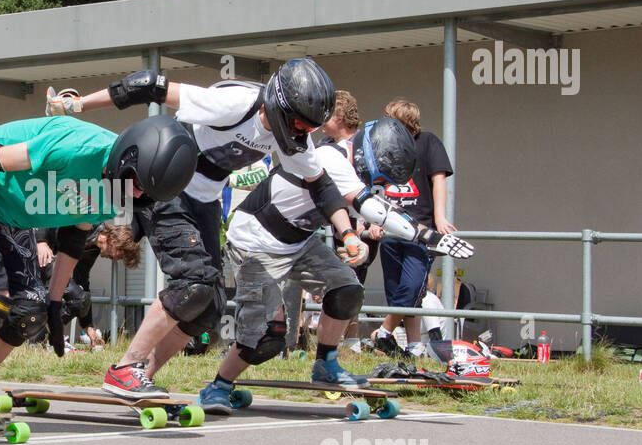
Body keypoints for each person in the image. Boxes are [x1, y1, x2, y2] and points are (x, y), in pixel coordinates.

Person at [46, 58, 366, 398]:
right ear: (278, 106)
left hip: (205, 202)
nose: (302, 134)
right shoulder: (236, 103)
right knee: (191, 281)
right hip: (166, 188)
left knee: (209, 305)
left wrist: (346, 233)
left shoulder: (296, 139)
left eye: (310, 128)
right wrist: (76, 104)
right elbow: (150, 85)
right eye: (299, 124)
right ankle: (125, 368)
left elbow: (321, 185)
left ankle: (140, 378)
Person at [0, 115, 197, 424]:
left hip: (12, 211)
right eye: (138, 184)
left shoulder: (119, 191)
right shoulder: (75, 146)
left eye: (147, 192)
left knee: (29, 312)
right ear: (127, 158)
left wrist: (55, 303)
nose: (139, 195)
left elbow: (74, 239)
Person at [197, 117, 474, 413]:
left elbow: (350, 206)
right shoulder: (330, 156)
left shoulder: (351, 173)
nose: (378, 184)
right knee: (267, 335)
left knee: (346, 290)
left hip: (298, 241)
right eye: (380, 178)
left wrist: (353, 237)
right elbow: (366, 204)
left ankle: (326, 364)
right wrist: (424, 234)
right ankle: (219, 385)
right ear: (367, 156)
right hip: (255, 243)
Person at [370, 99, 456, 361]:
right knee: (397, 292)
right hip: (390, 228)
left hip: (419, 228)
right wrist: (374, 220)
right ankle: (414, 346)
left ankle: (383, 332)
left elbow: (438, 178)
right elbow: (375, 184)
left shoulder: (428, 142)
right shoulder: (382, 145)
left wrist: (440, 218)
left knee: (413, 287)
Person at [317, 90, 379, 352]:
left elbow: (372, 186)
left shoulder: (362, 146)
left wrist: (370, 222)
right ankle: (339, 341)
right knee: (339, 282)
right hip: (337, 221)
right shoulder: (324, 146)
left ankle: (349, 340)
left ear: (339, 117)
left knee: (352, 282)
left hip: (361, 225)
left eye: (327, 113)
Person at [35, 222, 142, 349]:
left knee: (80, 299)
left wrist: (89, 326)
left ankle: (41, 336)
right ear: (113, 241)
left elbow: (82, 281)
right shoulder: (90, 222)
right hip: (38, 248)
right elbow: (52, 213)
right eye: (119, 255)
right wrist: (41, 241)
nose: (114, 259)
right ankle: (42, 335)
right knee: (77, 297)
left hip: (48, 260)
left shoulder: (93, 249)